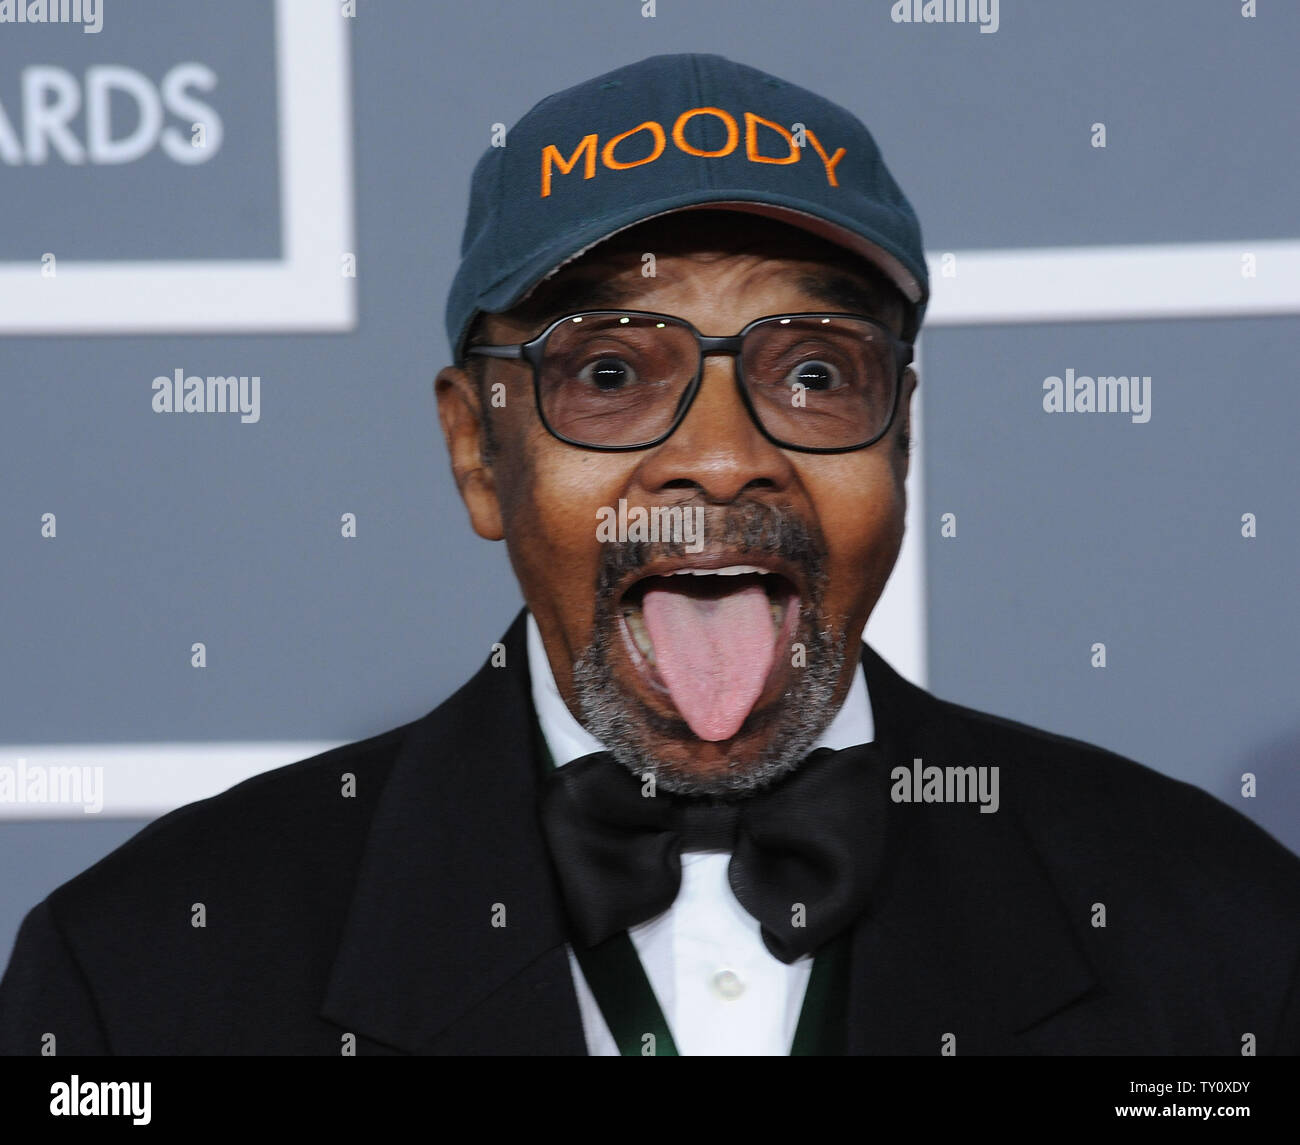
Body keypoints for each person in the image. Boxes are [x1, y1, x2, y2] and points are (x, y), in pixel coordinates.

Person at [2, 52, 1298, 1057]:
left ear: (900, 440)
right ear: (476, 452)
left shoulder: (1223, 935)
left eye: (813, 370)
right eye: (611, 371)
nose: (726, 457)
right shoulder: (146, 977)